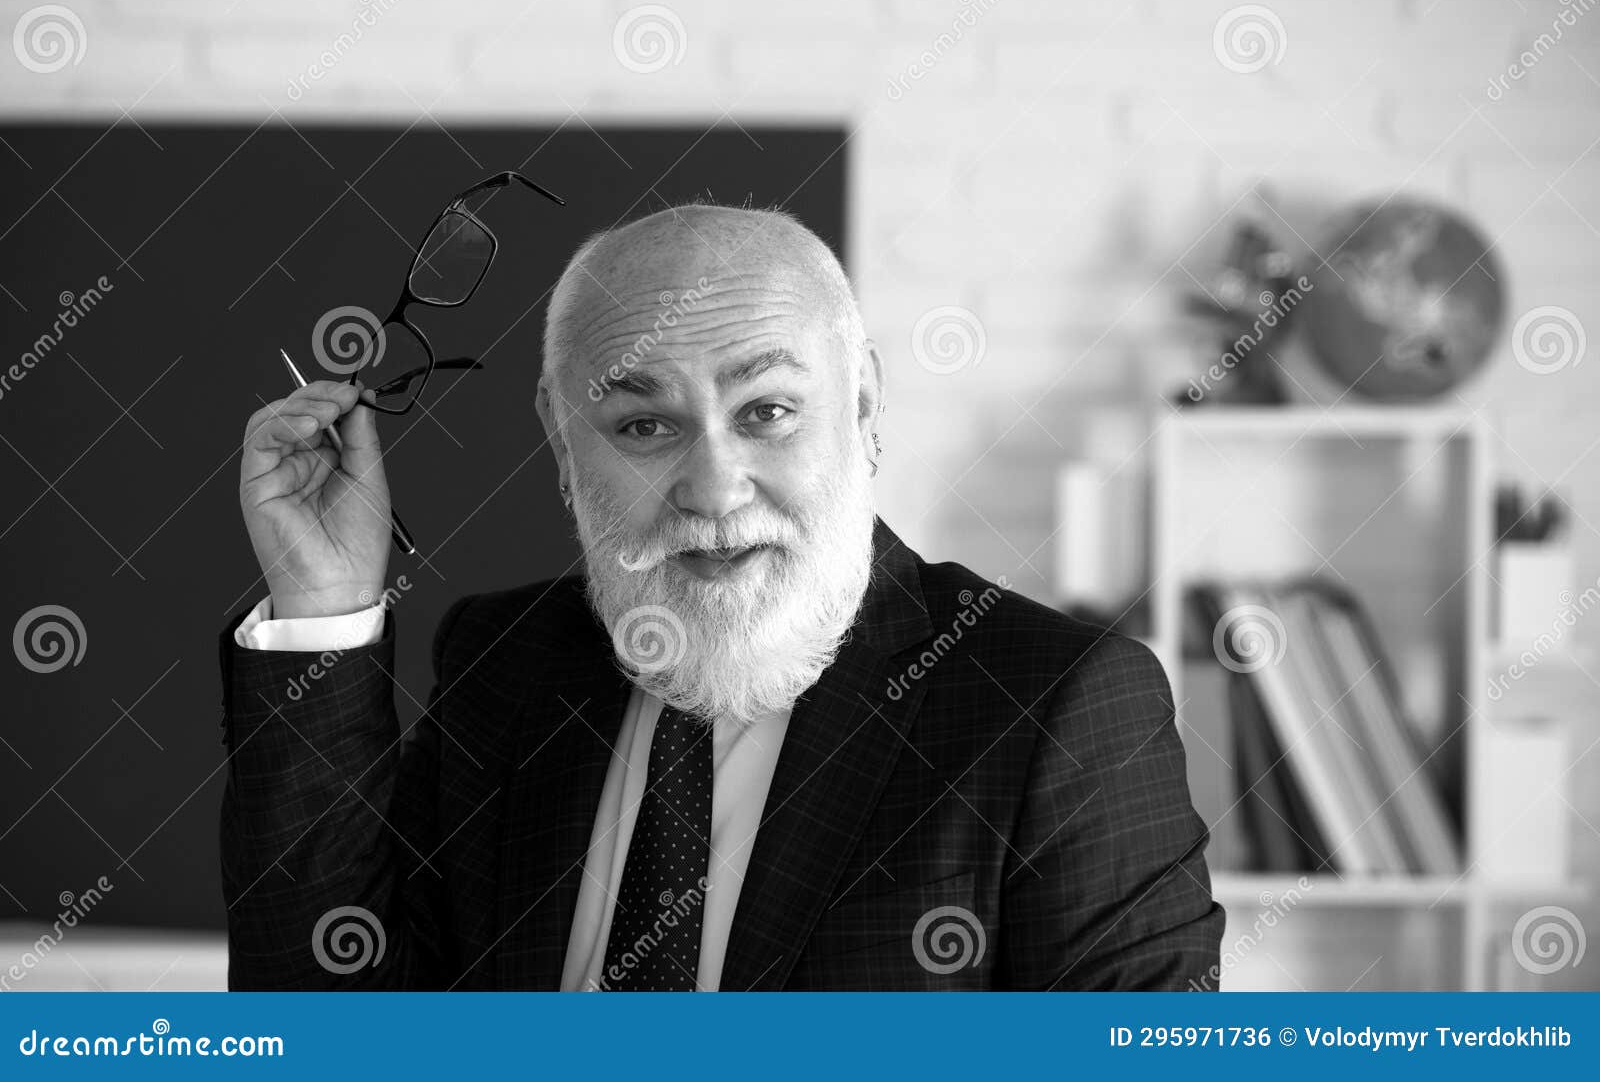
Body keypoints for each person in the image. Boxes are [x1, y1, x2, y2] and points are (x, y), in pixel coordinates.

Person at [223, 203, 1224, 990]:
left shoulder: (1058, 704)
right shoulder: (505, 663)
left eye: (769, 411)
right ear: (562, 447)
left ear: (864, 409)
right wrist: (323, 601)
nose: (712, 489)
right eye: (642, 426)